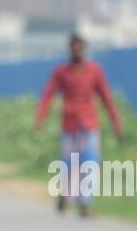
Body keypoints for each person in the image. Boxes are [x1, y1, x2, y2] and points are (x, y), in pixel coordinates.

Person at [34, 33, 122, 216]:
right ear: (69, 50)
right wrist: (40, 118)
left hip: (89, 124)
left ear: (84, 49)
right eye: (73, 48)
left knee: (90, 163)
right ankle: (66, 195)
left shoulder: (95, 71)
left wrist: (116, 123)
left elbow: (106, 97)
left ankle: (85, 203)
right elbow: (47, 95)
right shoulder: (61, 72)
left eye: (79, 48)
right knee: (69, 163)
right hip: (69, 124)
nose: (76, 51)